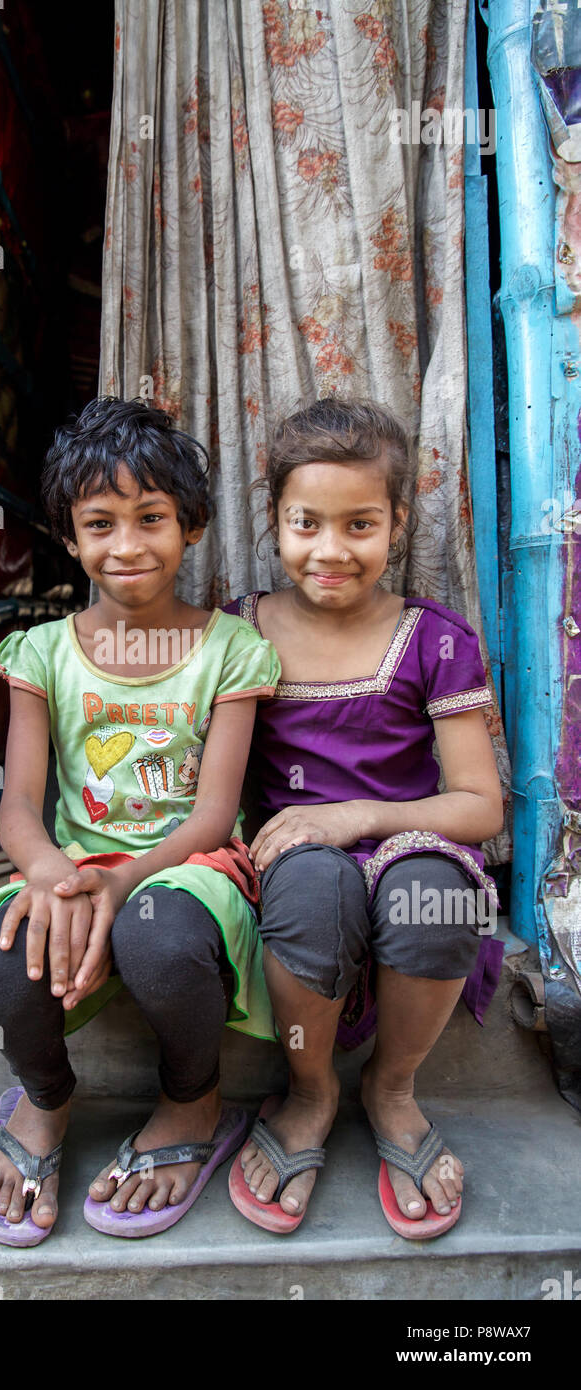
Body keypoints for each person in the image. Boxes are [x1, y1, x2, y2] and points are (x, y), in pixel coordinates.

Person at [0, 397, 280, 1244]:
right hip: (73, 859)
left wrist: (121, 880)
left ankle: (191, 1102)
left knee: (159, 937)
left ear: (193, 528)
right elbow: (22, 807)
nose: (128, 545)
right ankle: (44, 1102)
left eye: (152, 518)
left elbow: (216, 813)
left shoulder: (232, 651)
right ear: (70, 539)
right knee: (2, 964)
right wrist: (55, 876)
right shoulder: (41, 653)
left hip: (190, 864)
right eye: (100, 524)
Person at [224, 398, 504, 1239]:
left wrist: (356, 815)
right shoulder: (239, 633)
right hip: (299, 865)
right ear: (273, 520)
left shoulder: (435, 639)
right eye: (307, 523)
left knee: (438, 893)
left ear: (398, 523)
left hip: (412, 839)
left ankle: (392, 1088)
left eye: (360, 524)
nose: (332, 550)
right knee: (312, 887)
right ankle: (311, 1091)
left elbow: (480, 806)